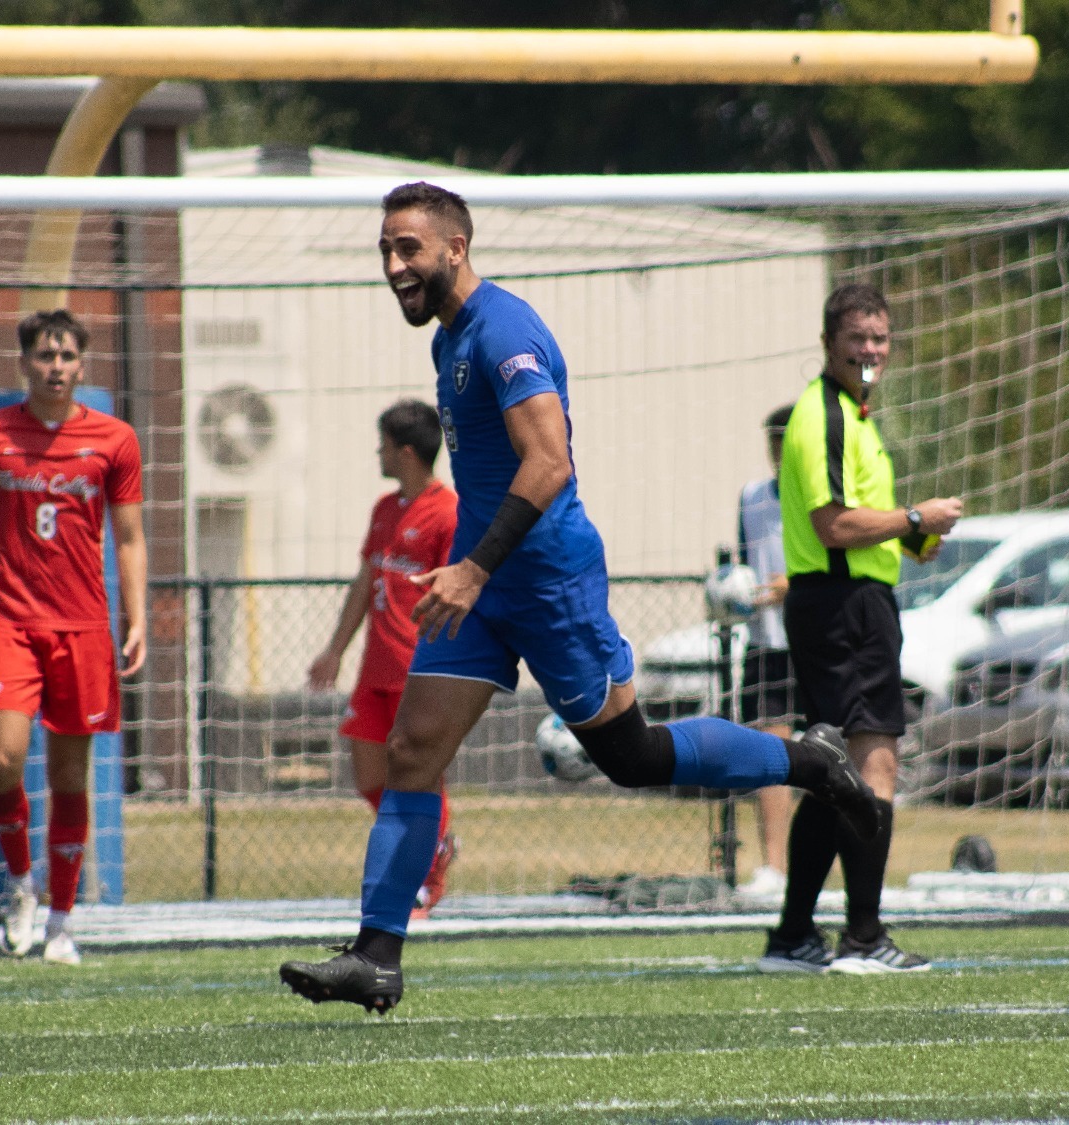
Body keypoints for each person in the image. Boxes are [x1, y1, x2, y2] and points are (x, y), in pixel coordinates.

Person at [278, 182, 890, 1013]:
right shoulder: (450, 339)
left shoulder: (505, 330)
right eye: (385, 249)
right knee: (412, 750)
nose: (393, 265)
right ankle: (376, 953)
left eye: (407, 249)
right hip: (483, 578)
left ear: (456, 247)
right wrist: (471, 569)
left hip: (545, 577)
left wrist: (474, 568)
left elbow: (549, 463)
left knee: (631, 757)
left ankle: (809, 760)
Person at [0, 309, 147, 966]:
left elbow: (127, 535)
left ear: (82, 362)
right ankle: (20, 883)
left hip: (84, 628)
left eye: (67, 355)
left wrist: (138, 616)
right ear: (25, 362)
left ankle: (61, 922)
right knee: (4, 757)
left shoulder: (114, 439)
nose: (57, 366)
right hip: (10, 623)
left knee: (72, 777)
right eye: (45, 355)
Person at [764, 283, 962, 974]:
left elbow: (862, 522)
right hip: (842, 608)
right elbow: (832, 524)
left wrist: (916, 538)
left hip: (853, 603)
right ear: (829, 344)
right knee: (874, 763)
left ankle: (792, 936)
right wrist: (913, 518)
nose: (871, 349)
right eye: (858, 338)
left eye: (880, 338)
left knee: (833, 772)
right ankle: (864, 937)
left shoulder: (857, 415)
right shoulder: (823, 416)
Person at [307, 399, 461, 916]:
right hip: (375, 668)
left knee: (416, 772)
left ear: (408, 452)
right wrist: (335, 650)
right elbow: (365, 582)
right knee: (368, 774)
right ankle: (436, 840)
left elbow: (455, 592)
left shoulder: (447, 512)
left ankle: (426, 872)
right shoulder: (384, 509)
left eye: (384, 445)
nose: (378, 452)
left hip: (419, 668)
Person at [734, 404, 798, 902]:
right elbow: (743, 562)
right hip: (766, 644)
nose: (779, 452)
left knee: (828, 753)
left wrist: (792, 586)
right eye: (773, 443)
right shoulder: (753, 499)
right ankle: (773, 866)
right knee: (770, 755)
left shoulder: (821, 497)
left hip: (816, 642)